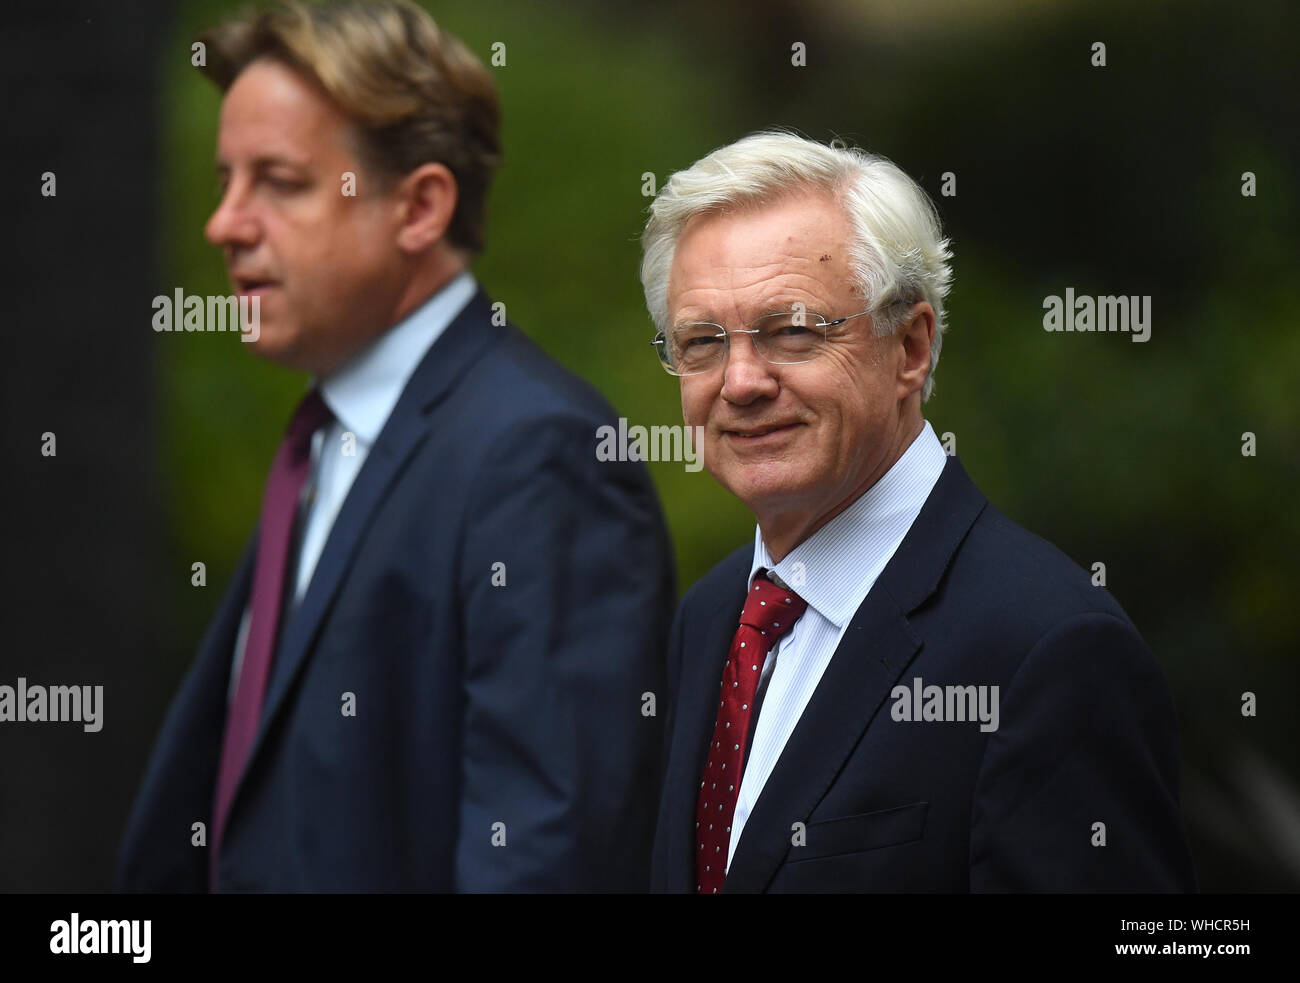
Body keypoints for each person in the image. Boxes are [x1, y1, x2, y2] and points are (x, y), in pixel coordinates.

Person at [117, 0, 674, 892]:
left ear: (419, 206)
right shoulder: (325, 438)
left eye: (280, 182)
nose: (226, 223)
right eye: (227, 180)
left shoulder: (540, 457)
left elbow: (542, 861)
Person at [641, 131, 1195, 893]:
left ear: (910, 347)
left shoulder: (1047, 649)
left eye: (793, 330)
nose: (739, 381)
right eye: (702, 341)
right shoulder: (710, 619)